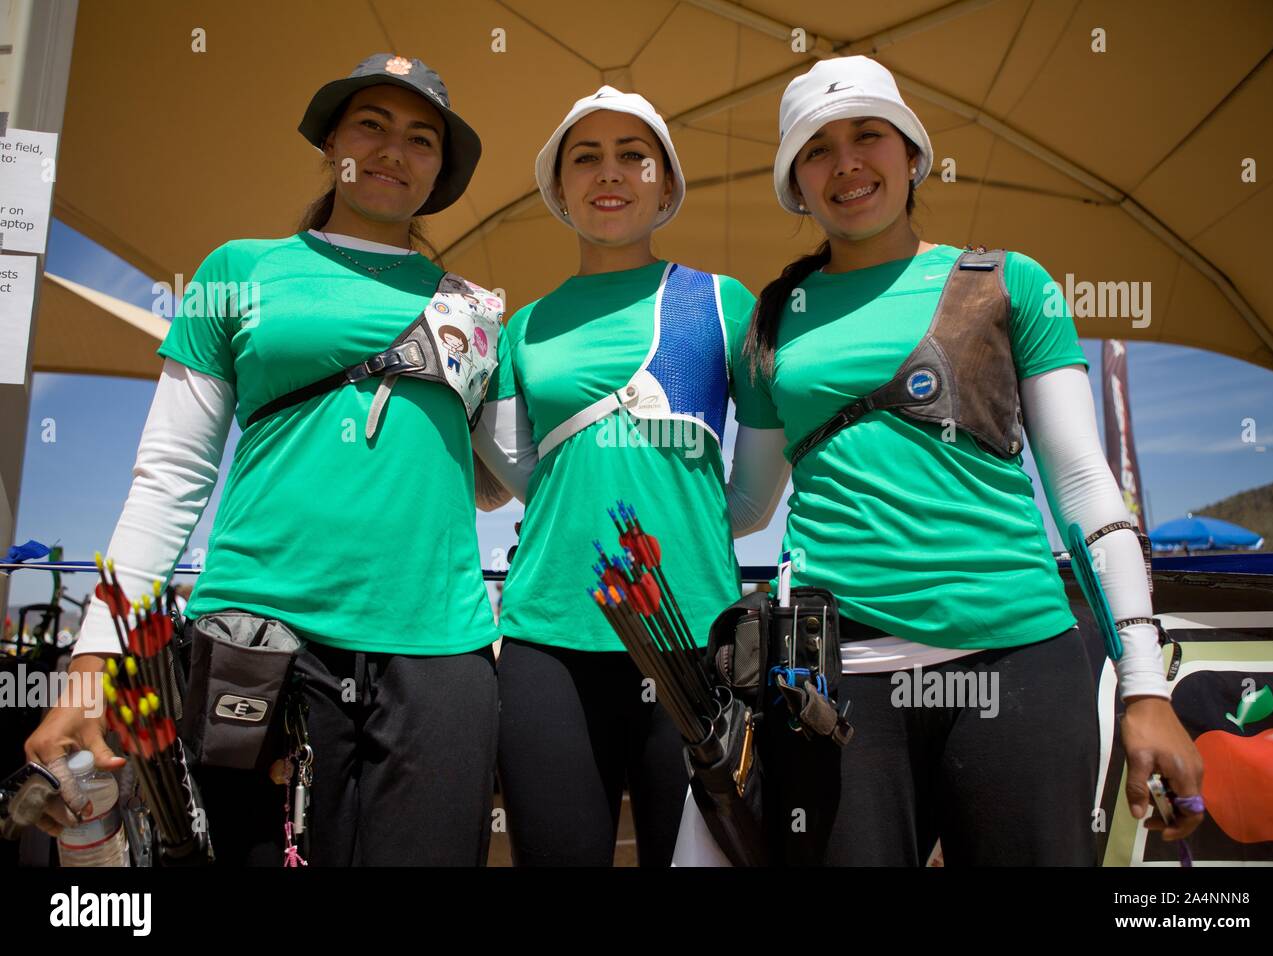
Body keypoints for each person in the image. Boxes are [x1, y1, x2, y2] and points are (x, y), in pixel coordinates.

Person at [701, 56, 1204, 865]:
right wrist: (612, 487)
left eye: (869, 135)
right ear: (796, 182)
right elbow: (747, 504)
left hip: (1020, 667)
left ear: (911, 154)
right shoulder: (771, 321)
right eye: (818, 149)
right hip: (834, 686)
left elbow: (1081, 486)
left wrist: (1144, 686)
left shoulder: (1012, 282)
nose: (848, 163)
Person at [25, 53, 504, 866]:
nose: (394, 150)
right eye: (371, 126)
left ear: (440, 172)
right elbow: (172, 474)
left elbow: (496, 484)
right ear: (330, 144)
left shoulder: (477, 307)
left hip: (440, 643)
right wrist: (92, 662)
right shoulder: (237, 270)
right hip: (259, 637)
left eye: (422, 139)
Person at [472, 87, 782, 866]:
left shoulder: (723, 304)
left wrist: (680, 530)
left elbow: (748, 500)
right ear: (560, 191)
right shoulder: (522, 328)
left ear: (666, 184)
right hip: (547, 642)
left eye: (632, 156)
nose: (608, 174)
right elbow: (533, 490)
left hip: (694, 643)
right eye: (586, 158)